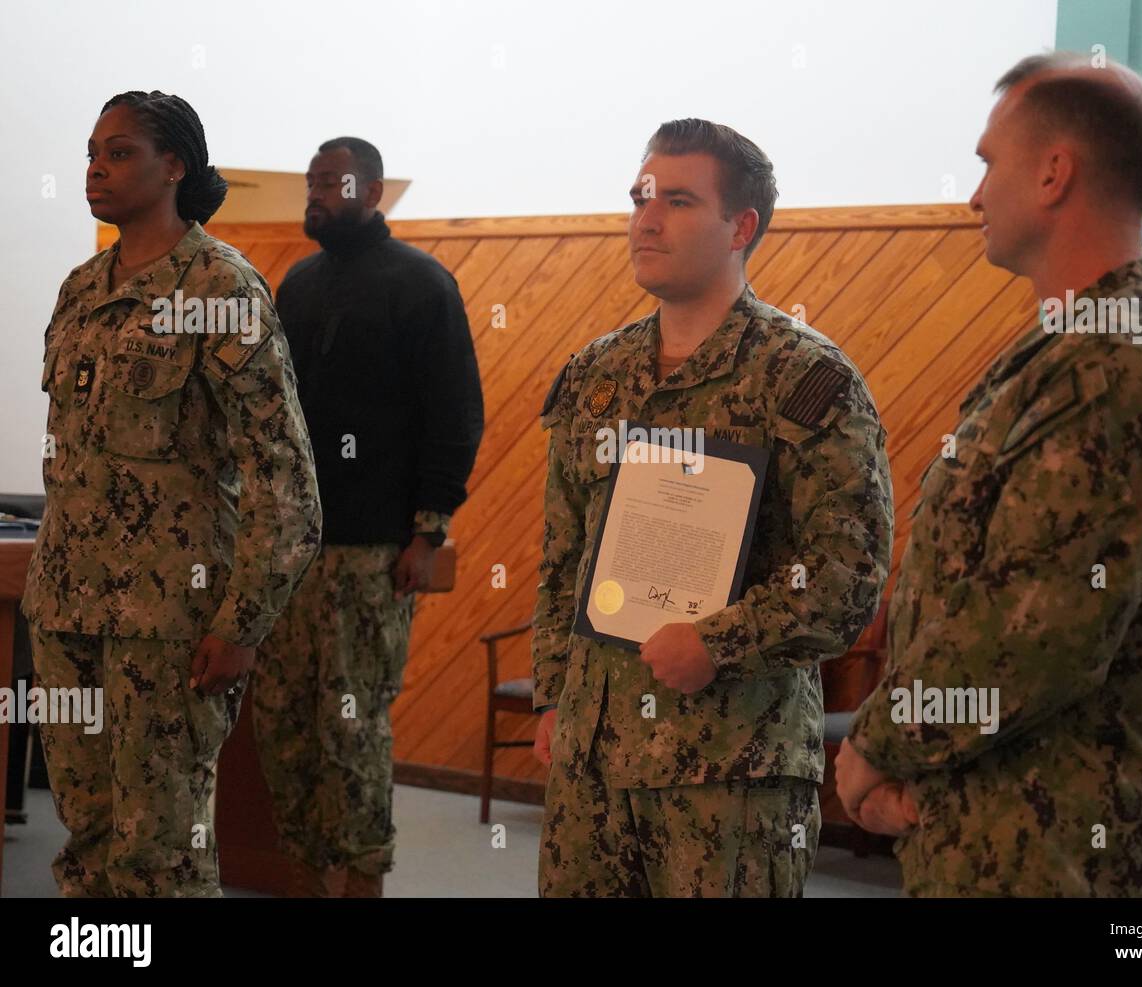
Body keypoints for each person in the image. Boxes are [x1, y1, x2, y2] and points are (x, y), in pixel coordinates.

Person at [836, 52, 1142, 897]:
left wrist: (876, 745)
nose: (975, 194)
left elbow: (1033, 637)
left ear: (1056, 171)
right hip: (998, 817)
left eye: (989, 162)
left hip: (1053, 839)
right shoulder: (1074, 344)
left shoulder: (1115, 362)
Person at [532, 118, 893, 897]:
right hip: (592, 762)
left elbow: (846, 579)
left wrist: (719, 642)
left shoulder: (804, 379)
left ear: (742, 226)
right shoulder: (598, 373)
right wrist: (555, 694)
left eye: (679, 201)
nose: (647, 218)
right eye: (640, 197)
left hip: (729, 769)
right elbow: (564, 556)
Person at [24, 90, 321, 897]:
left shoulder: (221, 288)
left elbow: (284, 480)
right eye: (91, 150)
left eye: (119, 151)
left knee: (158, 854)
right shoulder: (81, 289)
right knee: (84, 838)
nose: (96, 166)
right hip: (66, 612)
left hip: (166, 625)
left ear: (175, 165)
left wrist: (242, 623)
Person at [252, 136, 484, 897]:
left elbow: (455, 416)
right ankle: (307, 880)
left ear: (374, 190)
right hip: (292, 553)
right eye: (311, 183)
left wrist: (428, 530)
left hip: (375, 550)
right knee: (285, 729)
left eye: (333, 182)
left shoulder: (422, 284)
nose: (316, 195)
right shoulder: (299, 282)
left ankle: (361, 885)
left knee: (351, 731)